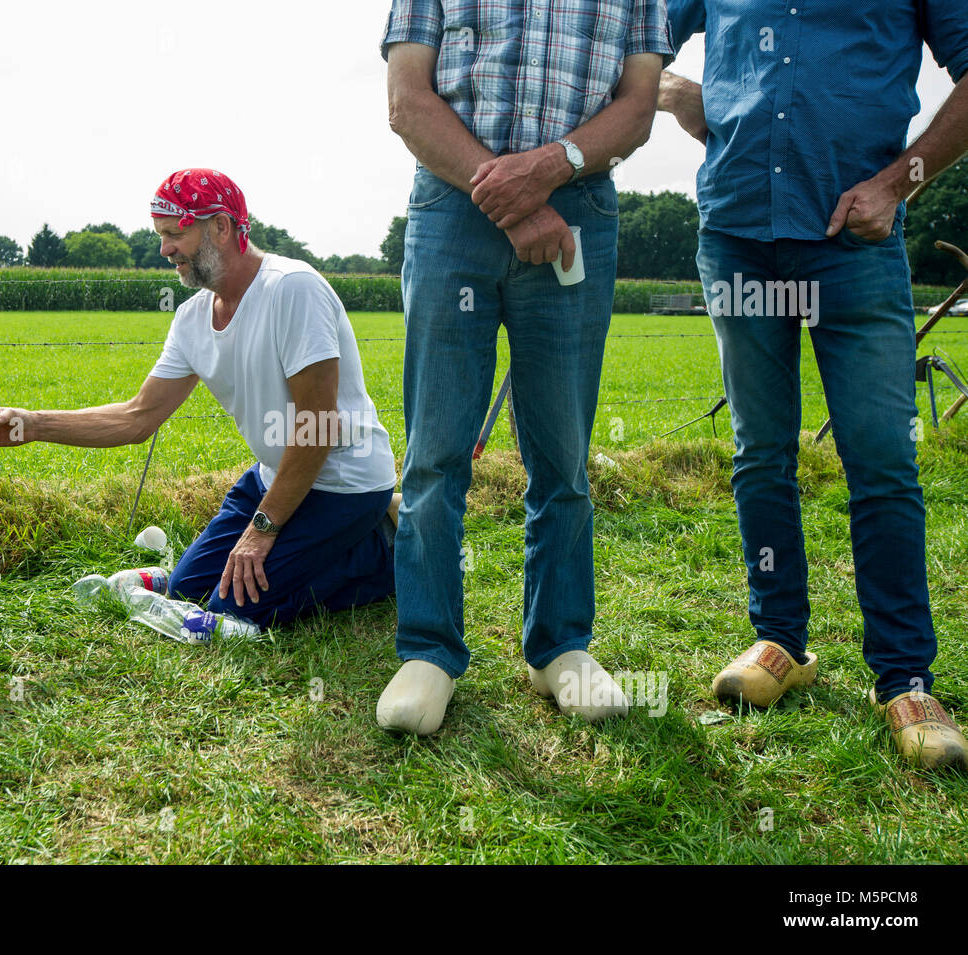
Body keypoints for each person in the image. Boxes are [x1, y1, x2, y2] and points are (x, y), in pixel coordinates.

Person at [660, 1, 968, 769]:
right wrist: (679, 94)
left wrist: (903, 182)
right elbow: (630, 39)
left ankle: (903, 676)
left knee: (881, 460)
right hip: (736, 232)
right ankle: (780, 640)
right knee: (761, 450)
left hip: (853, 242)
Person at [374, 1, 670, 735]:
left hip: (579, 210)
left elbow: (636, 107)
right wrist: (508, 193)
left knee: (562, 451)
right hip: (452, 204)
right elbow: (409, 101)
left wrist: (549, 169)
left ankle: (560, 647)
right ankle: (428, 650)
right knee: (436, 449)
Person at [0, 168, 398, 627]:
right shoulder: (191, 318)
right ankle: (341, 542)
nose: (165, 250)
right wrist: (32, 424)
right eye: (161, 235)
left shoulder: (292, 288)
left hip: (343, 482)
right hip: (275, 477)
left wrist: (262, 531)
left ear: (221, 227)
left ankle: (389, 548)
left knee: (239, 609)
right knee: (188, 589)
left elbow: (318, 427)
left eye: (174, 234)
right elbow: (137, 417)